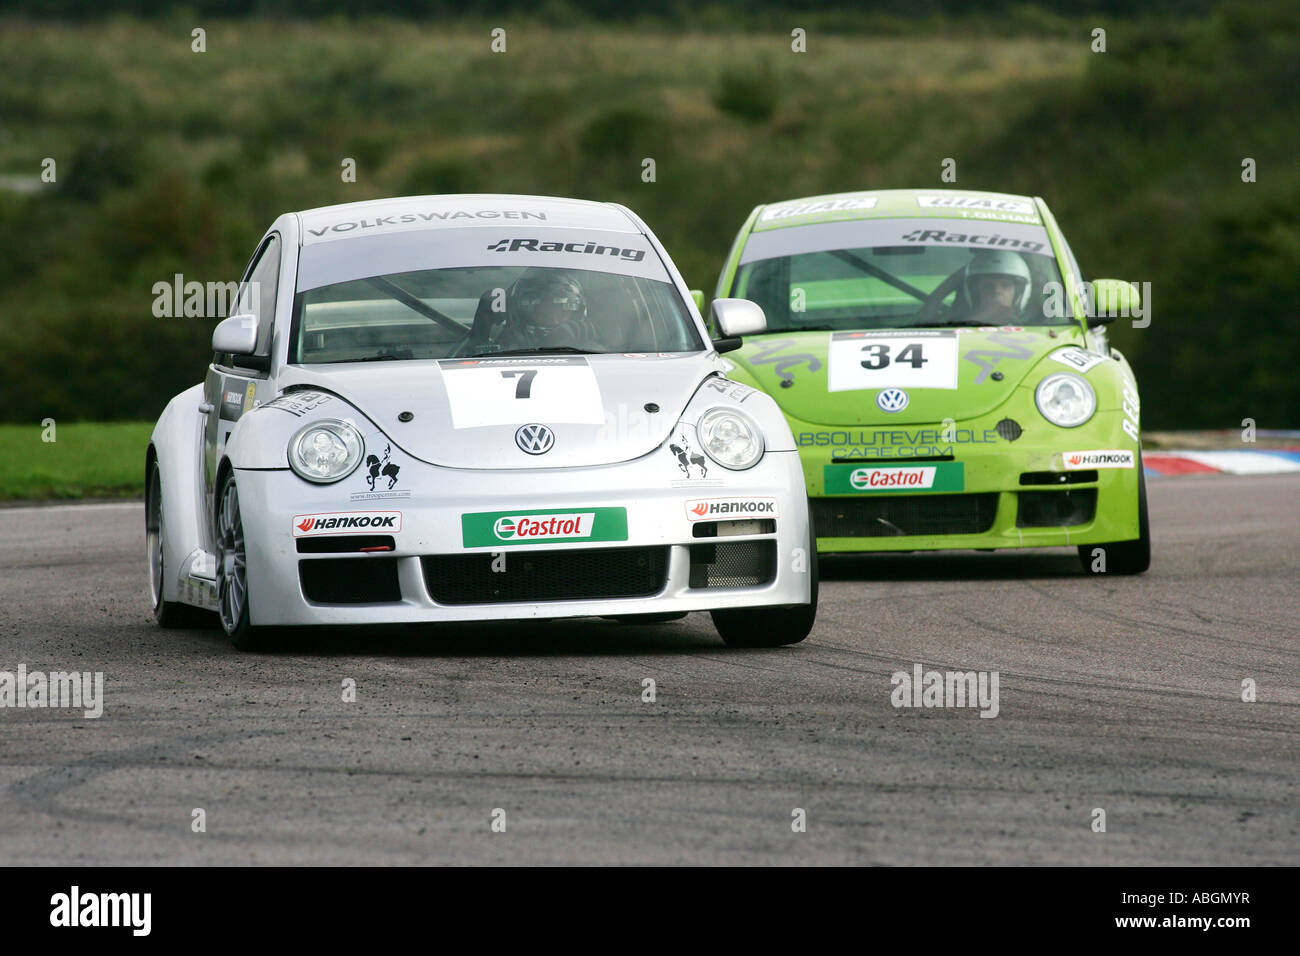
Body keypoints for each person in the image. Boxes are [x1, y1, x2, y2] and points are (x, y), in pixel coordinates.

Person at [498, 270, 596, 349]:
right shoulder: (509, 346)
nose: (554, 319)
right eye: (545, 314)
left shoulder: (593, 350)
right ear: (525, 314)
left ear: (576, 312)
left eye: (561, 312)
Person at [960, 250, 1032, 323]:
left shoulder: (1032, 326)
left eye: (1005, 286)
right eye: (988, 286)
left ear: (1017, 294)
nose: (996, 291)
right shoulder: (958, 325)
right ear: (976, 294)